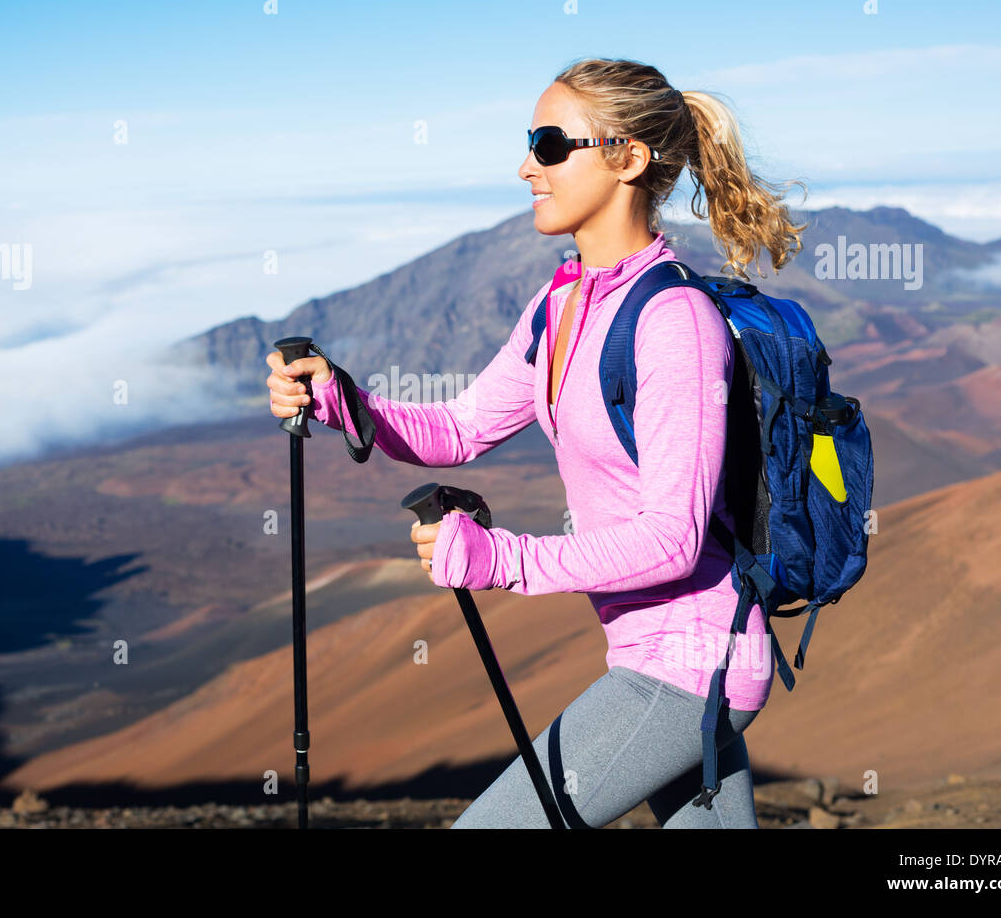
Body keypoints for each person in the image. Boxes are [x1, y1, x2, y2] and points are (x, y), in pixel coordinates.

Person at [265, 57, 806, 828]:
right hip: (657, 658)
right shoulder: (563, 303)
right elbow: (459, 427)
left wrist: (501, 559)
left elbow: (673, 540)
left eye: (550, 144)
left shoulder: (673, 321)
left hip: (693, 664)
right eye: (530, 143)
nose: (526, 167)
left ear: (628, 157)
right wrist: (337, 396)